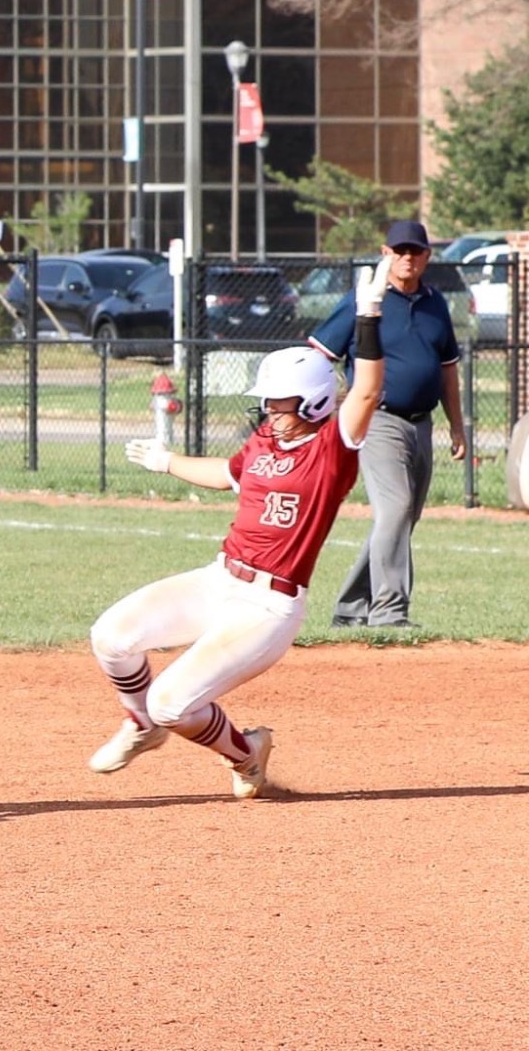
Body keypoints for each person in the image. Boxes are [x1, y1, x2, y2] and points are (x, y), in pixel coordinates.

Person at [84, 257, 393, 798]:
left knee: (173, 703)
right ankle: (140, 727)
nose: (269, 411)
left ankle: (247, 756)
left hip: (268, 608)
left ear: (317, 402)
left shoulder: (332, 450)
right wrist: (167, 461)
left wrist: (367, 318)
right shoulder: (266, 443)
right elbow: (227, 475)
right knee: (111, 637)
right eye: (267, 403)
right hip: (221, 579)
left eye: (280, 403)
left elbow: (365, 391)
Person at [310, 219, 468, 628]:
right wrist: (314, 413)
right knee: (395, 509)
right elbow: (319, 354)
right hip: (377, 421)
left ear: (428, 257)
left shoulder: (436, 304)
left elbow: (448, 368)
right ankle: (389, 611)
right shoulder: (365, 300)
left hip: (422, 424)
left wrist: (456, 425)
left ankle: (350, 608)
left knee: (400, 519)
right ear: (385, 254)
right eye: (399, 250)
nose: (407, 258)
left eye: (415, 251)